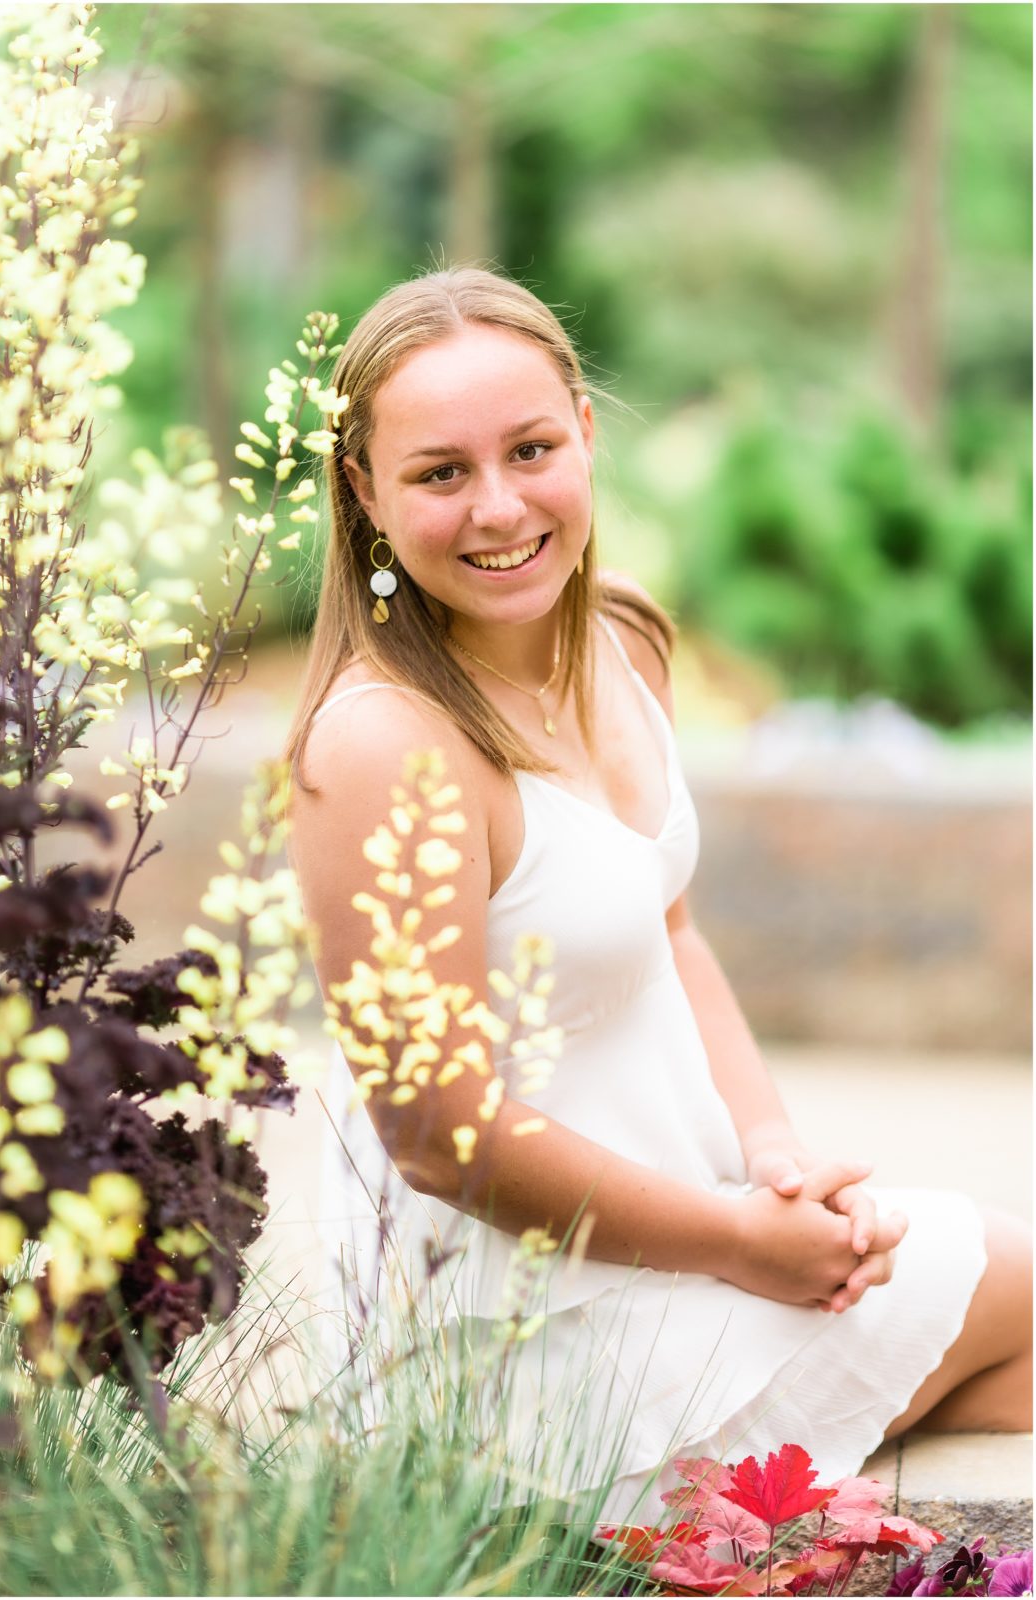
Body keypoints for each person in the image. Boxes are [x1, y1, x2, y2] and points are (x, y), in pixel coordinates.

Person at [285, 266, 1031, 1522]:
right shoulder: (381, 744)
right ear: (364, 490)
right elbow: (437, 1133)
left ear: (583, 425)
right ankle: (629, 1511)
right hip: (521, 1335)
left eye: (529, 448)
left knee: (995, 1323)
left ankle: (740, 1505)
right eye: (438, 472)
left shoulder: (621, 642)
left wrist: (776, 1155)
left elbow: (668, 926)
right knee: (1015, 1288)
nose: (498, 507)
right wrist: (743, 1244)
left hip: (684, 1228)